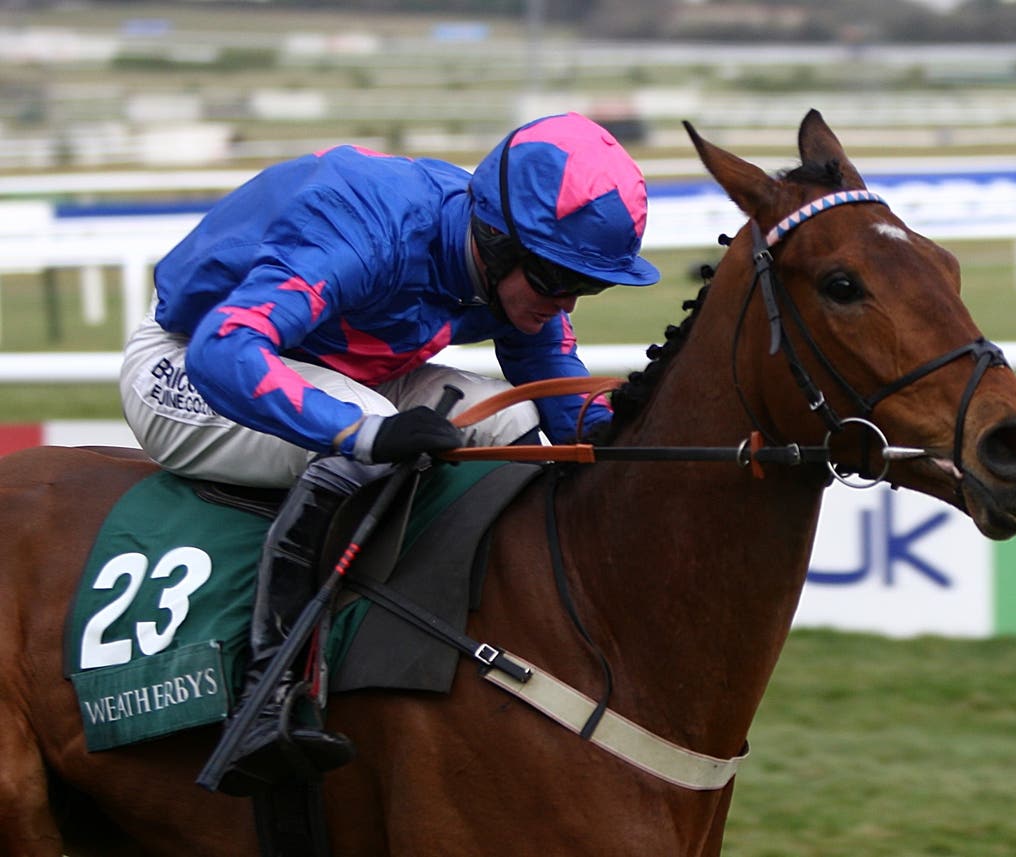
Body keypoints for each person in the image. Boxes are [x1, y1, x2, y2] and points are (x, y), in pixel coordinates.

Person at [117, 112, 661, 793]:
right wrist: (360, 434)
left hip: (337, 363)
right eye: (556, 278)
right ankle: (267, 698)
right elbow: (225, 350)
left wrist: (612, 440)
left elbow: (544, 364)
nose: (566, 302)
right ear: (496, 242)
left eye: (589, 285)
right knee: (375, 430)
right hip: (190, 361)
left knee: (509, 418)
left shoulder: (507, 259)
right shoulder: (366, 229)